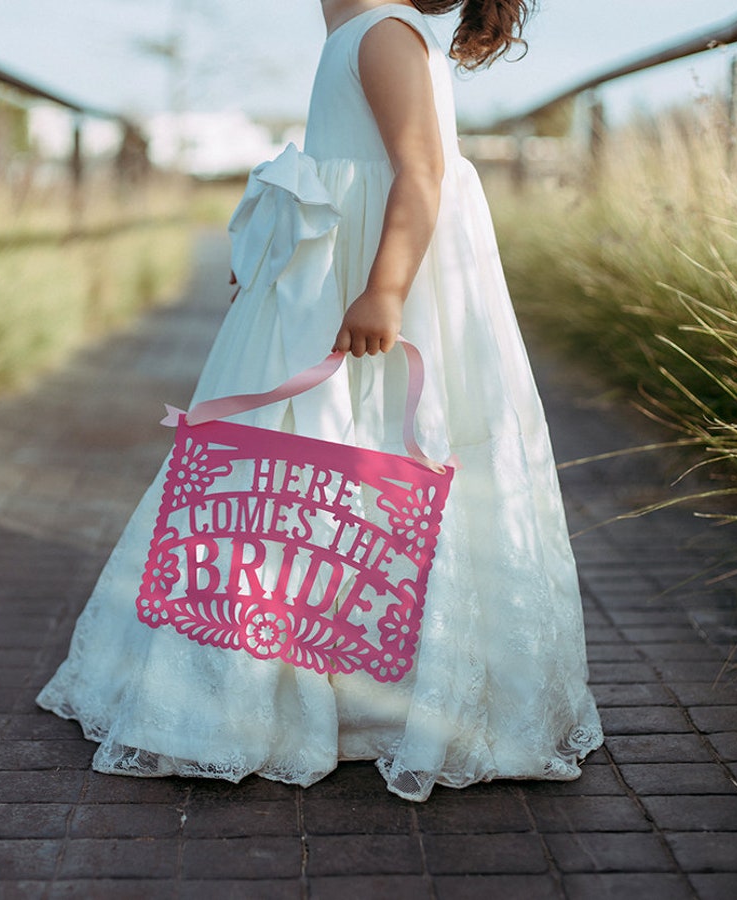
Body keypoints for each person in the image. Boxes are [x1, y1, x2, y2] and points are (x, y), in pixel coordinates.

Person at [37, 0, 603, 802]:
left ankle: (373, 686)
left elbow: (422, 170)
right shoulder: (351, 36)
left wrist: (386, 290)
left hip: (375, 286)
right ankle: (311, 677)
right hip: (324, 282)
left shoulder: (385, 34)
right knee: (308, 463)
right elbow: (349, 172)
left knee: (349, 461)